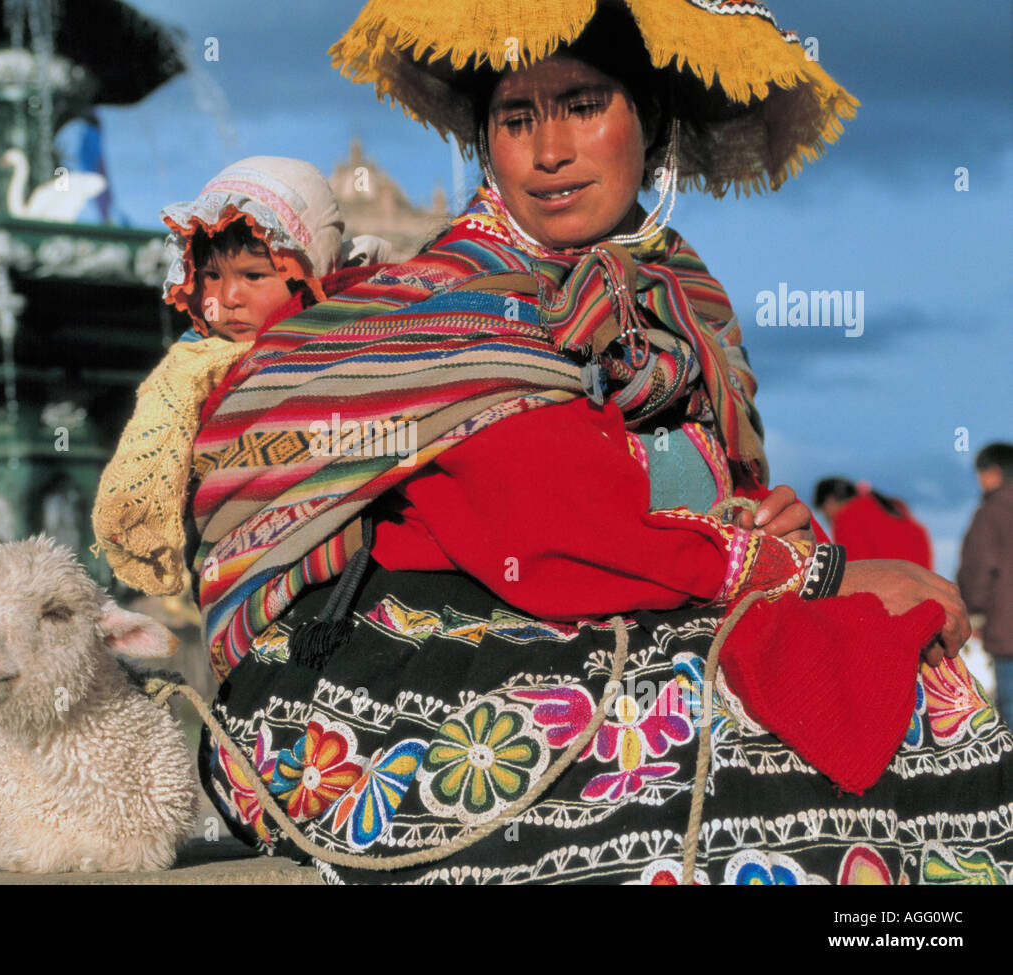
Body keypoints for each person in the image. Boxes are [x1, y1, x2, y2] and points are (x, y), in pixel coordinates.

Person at [188, 1, 1012, 885]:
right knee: (695, 725)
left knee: (904, 682)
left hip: (574, 622)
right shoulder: (458, 304)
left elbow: (674, 508)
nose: (549, 152)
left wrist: (759, 520)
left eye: (584, 105)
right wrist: (821, 573)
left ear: (649, 126)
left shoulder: (677, 305)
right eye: (516, 118)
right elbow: (558, 535)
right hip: (373, 679)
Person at [91, 157, 389, 595]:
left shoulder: (363, 330)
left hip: (348, 579)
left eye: (253, 275)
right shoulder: (191, 364)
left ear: (309, 269)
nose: (228, 297)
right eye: (211, 276)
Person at [958, 444, 1013, 719]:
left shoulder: (991, 513)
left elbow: (977, 572)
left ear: (993, 473)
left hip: (1008, 634)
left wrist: (974, 614)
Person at [815, 476, 933, 569]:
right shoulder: (891, 510)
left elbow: (856, 567)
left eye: (824, 510)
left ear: (830, 501)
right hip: (919, 585)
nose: (827, 518)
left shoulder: (847, 518)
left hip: (887, 588)